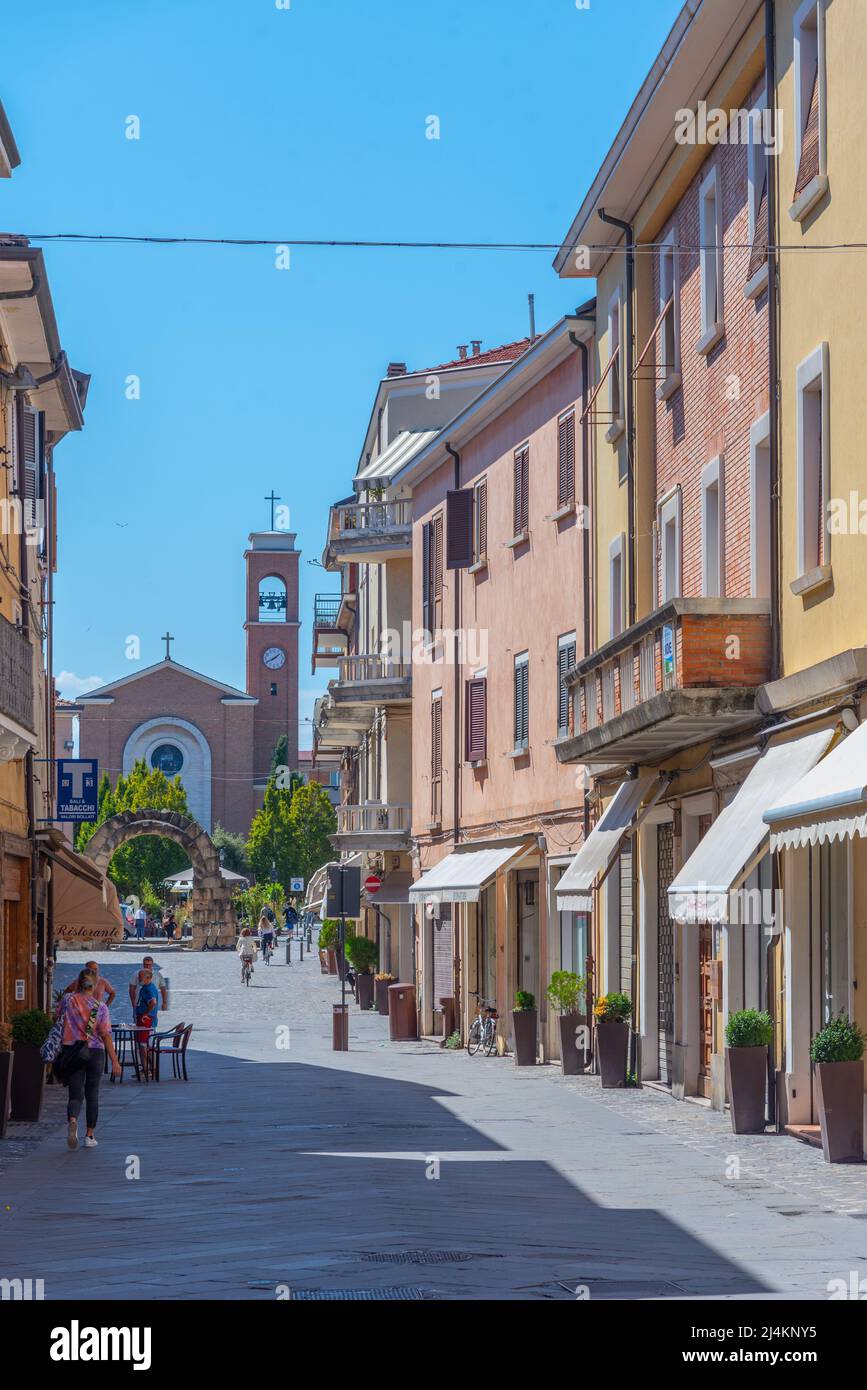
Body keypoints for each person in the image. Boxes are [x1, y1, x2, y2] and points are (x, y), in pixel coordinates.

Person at [59, 968, 121, 1148]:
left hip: (73, 1051)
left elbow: (58, 1020)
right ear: (94, 986)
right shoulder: (100, 1007)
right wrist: (115, 1060)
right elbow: (106, 1035)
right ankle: (89, 1136)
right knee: (92, 1094)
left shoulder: (67, 1001)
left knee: (75, 1094)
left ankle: (72, 1120)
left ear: (78, 983)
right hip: (95, 1052)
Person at [132, 968, 160, 1075]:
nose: (139, 978)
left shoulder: (149, 988)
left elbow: (153, 1002)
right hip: (143, 1019)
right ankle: (147, 1068)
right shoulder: (145, 987)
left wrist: (145, 1014)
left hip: (146, 1020)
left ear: (148, 978)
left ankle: (150, 1069)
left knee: (144, 1045)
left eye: (140, 977)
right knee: (142, 1045)